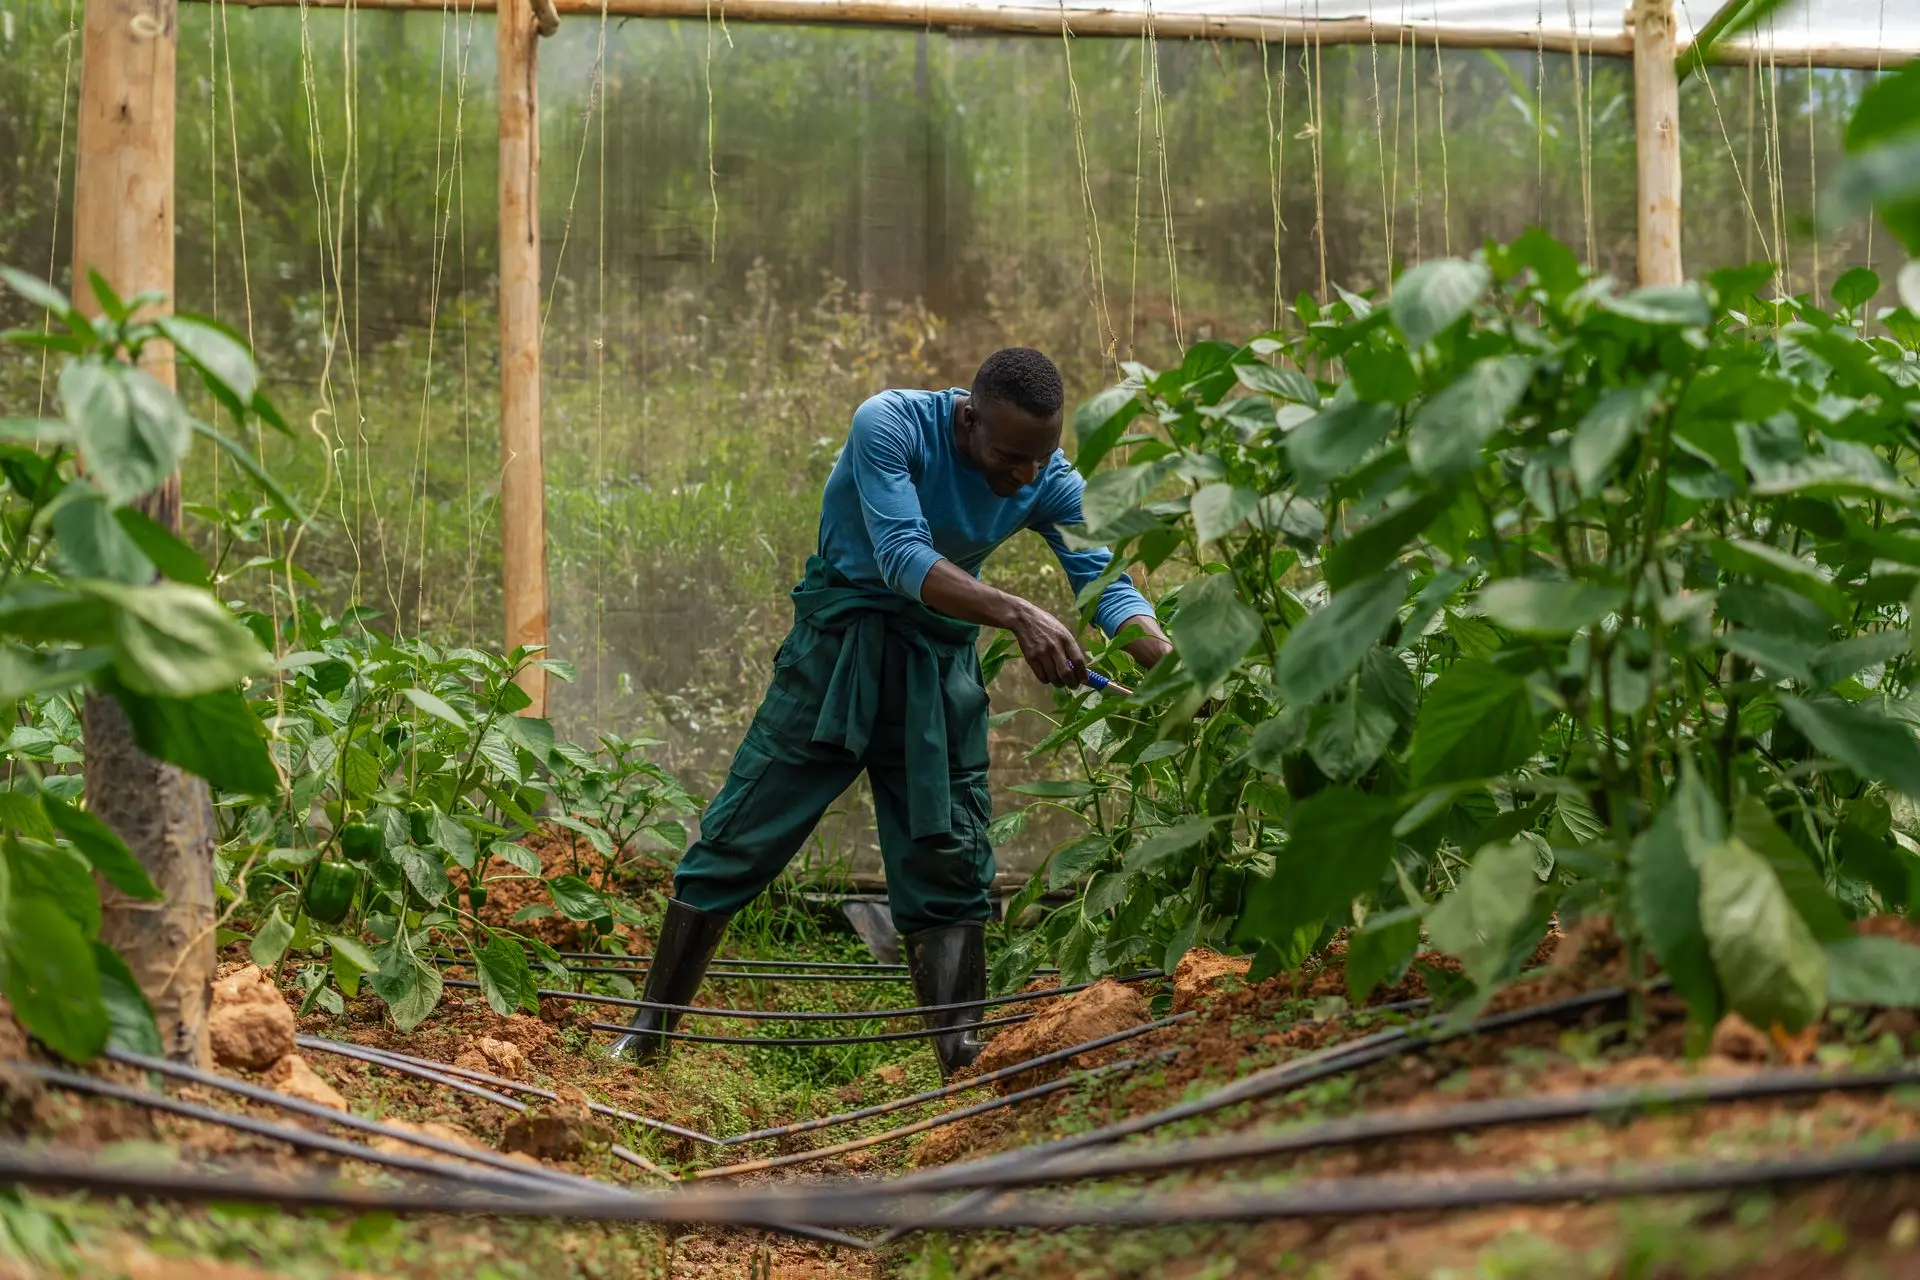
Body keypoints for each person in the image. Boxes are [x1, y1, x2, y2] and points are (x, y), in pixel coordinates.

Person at [609, 348, 1171, 1077]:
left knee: (950, 848)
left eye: (1041, 458)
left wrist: (1176, 669)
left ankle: (959, 1054)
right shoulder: (892, 425)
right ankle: (648, 1031)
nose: (1024, 477)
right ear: (969, 420)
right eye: (1008, 457)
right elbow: (904, 556)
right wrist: (1020, 614)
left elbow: (1107, 585)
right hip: (836, 651)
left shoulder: (1045, 475)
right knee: (746, 825)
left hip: (934, 664)